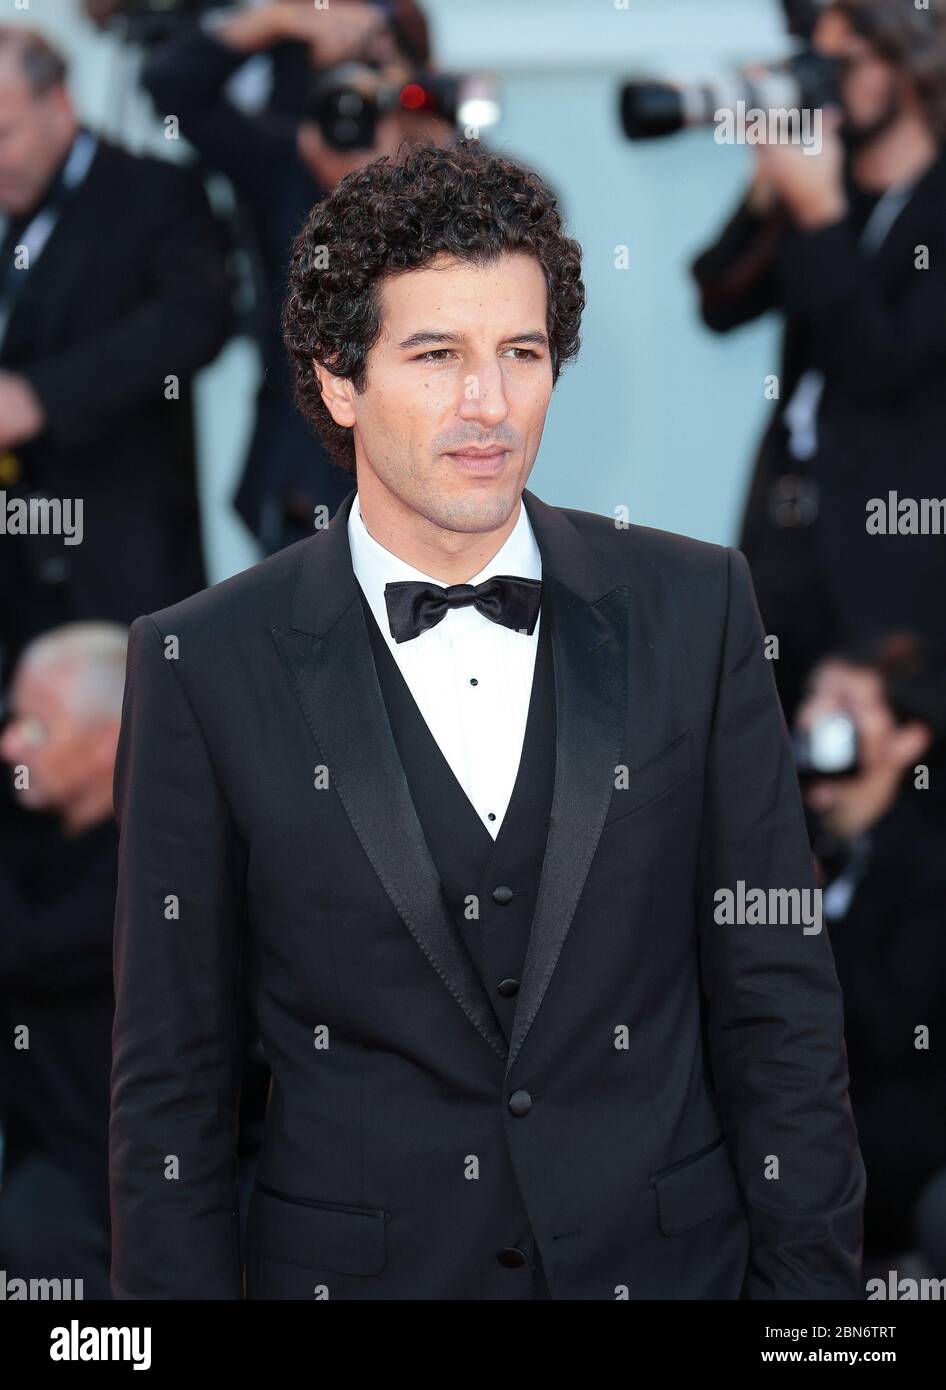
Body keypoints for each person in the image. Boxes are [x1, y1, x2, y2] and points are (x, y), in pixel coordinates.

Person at [109, 139, 865, 1301]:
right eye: (436, 355)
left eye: (521, 352)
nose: (489, 404)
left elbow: (779, 1008)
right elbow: (173, 1077)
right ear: (337, 376)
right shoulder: (201, 660)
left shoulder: (694, 605)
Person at [691, 0, 946, 723]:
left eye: (846, 66)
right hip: (789, 531)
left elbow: (883, 368)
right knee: (767, 760)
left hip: (902, 544)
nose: (826, 85)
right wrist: (769, 186)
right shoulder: (824, 186)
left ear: (911, 65)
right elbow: (719, 302)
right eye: (816, 63)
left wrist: (822, 215)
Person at [142, 0, 451, 555]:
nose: (353, 114)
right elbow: (173, 83)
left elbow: (521, 235)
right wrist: (279, 19)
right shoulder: (283, 160)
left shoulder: (454, 172)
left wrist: (399, 173)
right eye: (337, 92)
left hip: (433, 457)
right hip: (304, 466)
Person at [0, 26, 232, 681]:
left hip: (117, 553)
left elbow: (194, 324)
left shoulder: (155, 193)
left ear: (58, 107)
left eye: (3, 133)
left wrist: (40, 399)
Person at [794, 634, 946, 1270]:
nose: (815, 717)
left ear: (908, 741)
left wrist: (812, 913)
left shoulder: (927, 868)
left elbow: (894, 1032)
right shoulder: (785, 829)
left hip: (885, 1149)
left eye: (846, 702)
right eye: (813, 696)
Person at [0, 622, 128, 1300]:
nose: (11, 744)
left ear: (110, 737)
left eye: (36, 727)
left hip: (108, 1197)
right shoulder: (44, 851)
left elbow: (25, 947)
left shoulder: (152, 864)